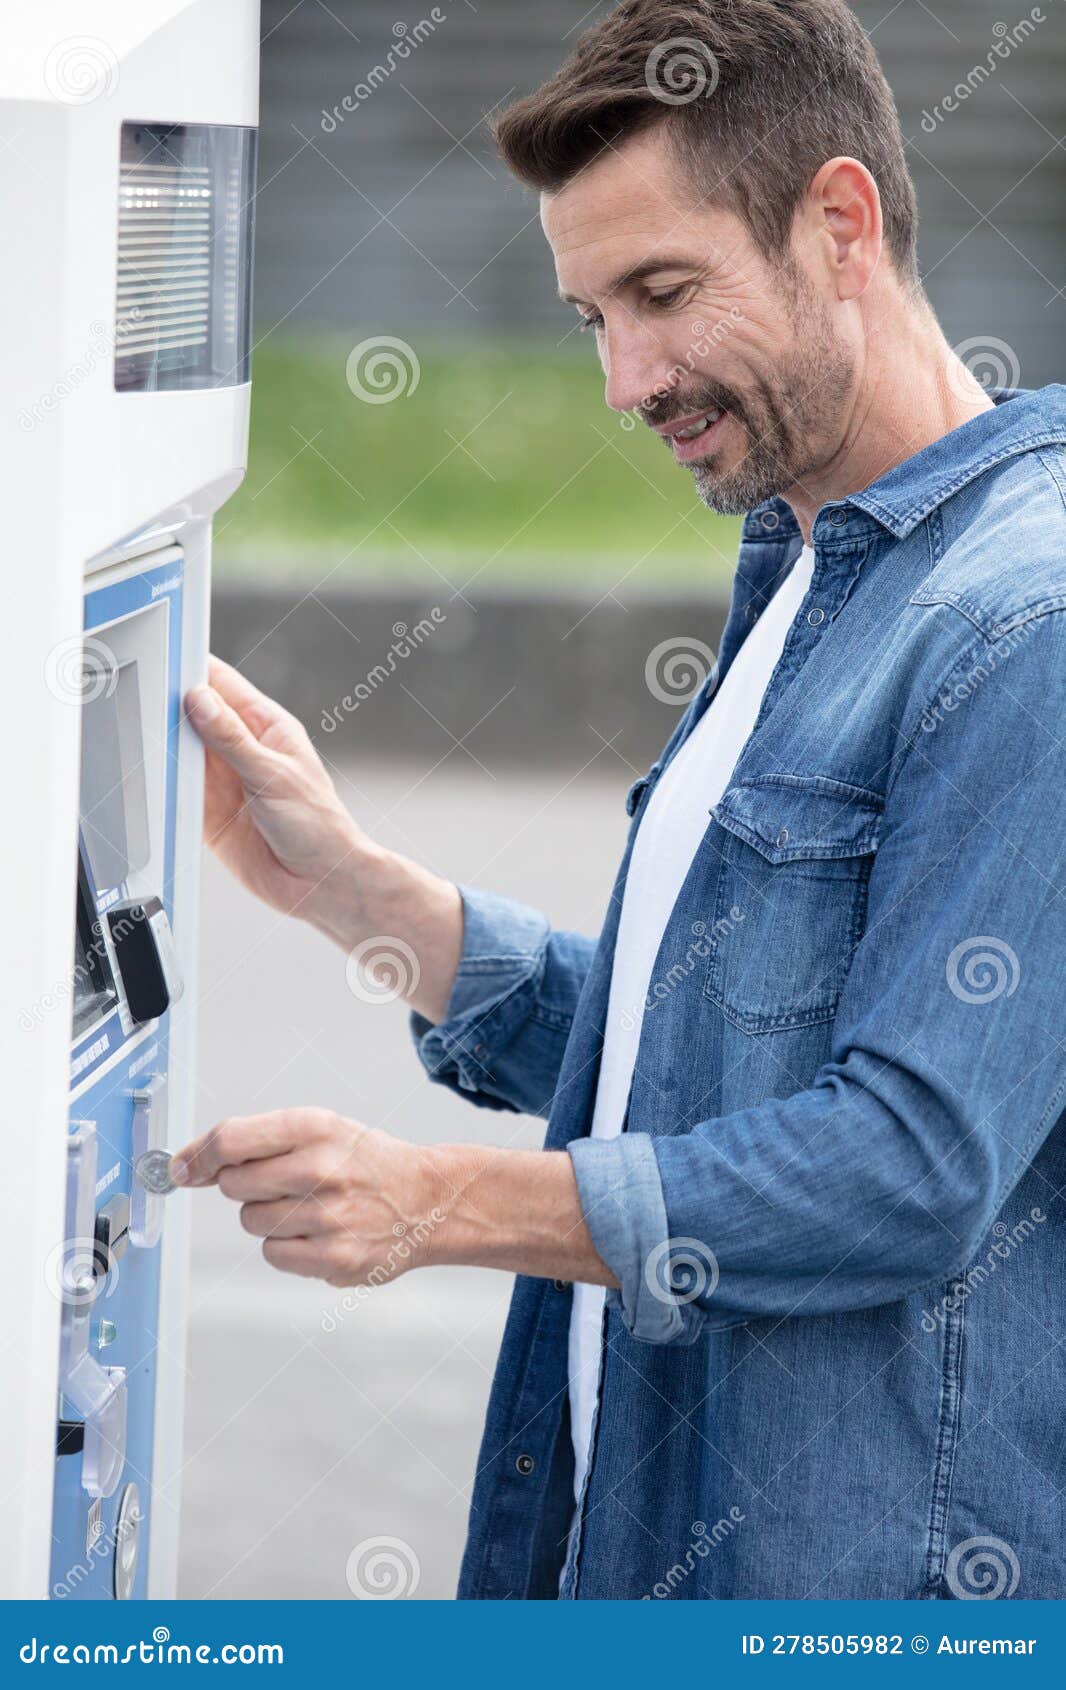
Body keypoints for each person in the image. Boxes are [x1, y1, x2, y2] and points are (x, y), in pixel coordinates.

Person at [171, 0, 1066, 1600]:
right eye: (590, 316)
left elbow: (906, 1162)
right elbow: (716, 1052)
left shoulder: (1025, 623)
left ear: (839, 225)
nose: (623, 378)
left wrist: (435, 1199)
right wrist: (371, 903)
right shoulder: (803, 564)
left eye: (661, 293)